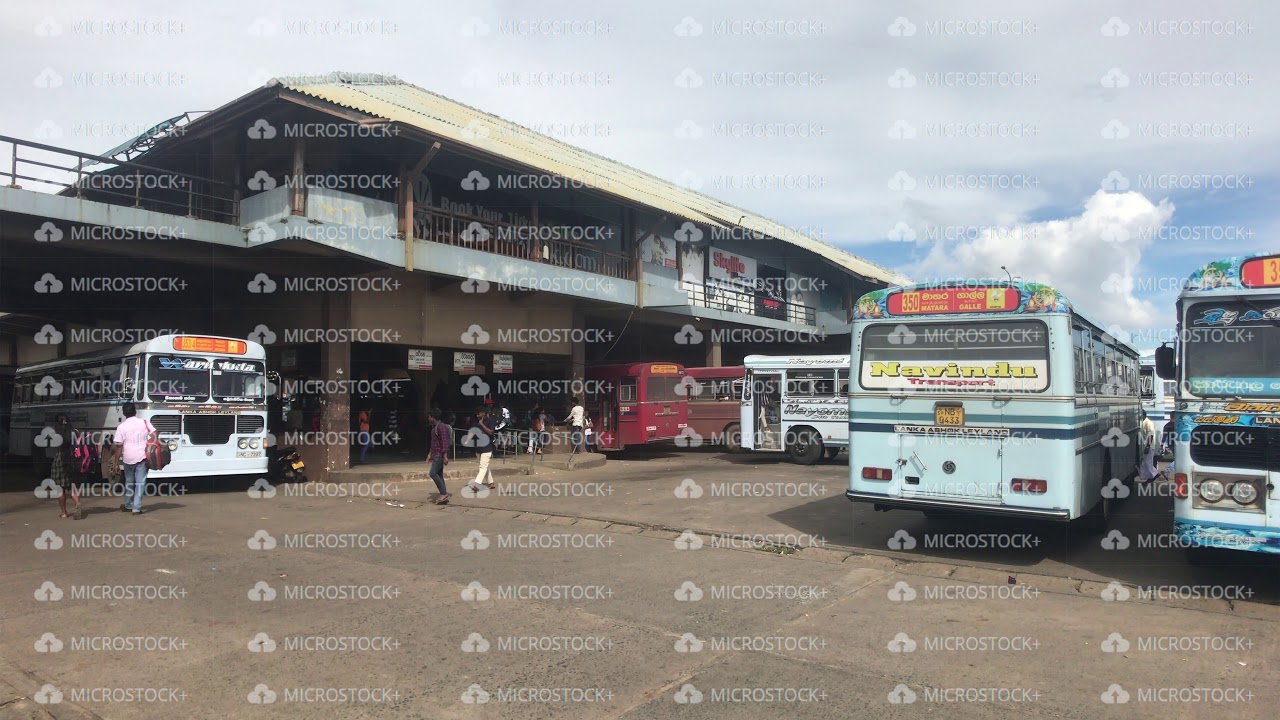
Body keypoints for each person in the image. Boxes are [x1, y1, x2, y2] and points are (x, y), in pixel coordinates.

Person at [114, 403, 154, 515]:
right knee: (140, 483)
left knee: (129, 482)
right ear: (135, 411)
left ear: (123, 413)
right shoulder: (144, 422)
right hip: (142, 456)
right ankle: (136, 508)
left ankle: (128, 504)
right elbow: (154, 432)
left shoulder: (121, 427)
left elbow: (118, 446)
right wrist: (151, 443)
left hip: (127, 458)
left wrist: (116, 463)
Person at [49, 414, 83, 520]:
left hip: (60, 459)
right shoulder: (75, 432)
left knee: (60, 488)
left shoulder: (56, 433)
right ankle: (77, 503)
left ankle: (64, 512)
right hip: (72, 459)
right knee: (70, 485)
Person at [468, 407, 497, 493]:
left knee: (483, 466)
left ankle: (477, 484)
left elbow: (491, 432)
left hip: (487, 447)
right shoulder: (475, 422)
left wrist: (482, 425)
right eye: (477, 413)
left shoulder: (489, 421)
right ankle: (491, 482)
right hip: (478, 448)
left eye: (479, 413)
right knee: (485, 466)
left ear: (484, 413)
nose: (478, 415)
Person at [427, 410, 451, 505]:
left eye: (429, 417)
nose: (428, 419)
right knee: (439, 475)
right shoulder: (434, 429)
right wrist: (429, 455)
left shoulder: (441, 427)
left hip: (439, 455)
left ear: (433, 417)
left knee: (432, 473)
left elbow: (444, 443)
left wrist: (445, 457)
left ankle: (443, 493)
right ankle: (443, 495)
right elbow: (434, 444)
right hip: (435, 454)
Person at [1138, 411, 1159, 482]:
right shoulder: (1142, 422)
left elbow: (1151, 435)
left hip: (1149, 446)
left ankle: (1155, 474)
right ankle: (1150, 477)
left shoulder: (1149, 423)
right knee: (1145, 463)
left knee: (1148, 462)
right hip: (1143, 446)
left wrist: (1147, 447)